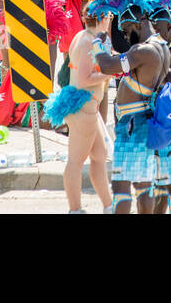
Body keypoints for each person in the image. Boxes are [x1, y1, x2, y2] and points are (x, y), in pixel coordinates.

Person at [46, 11, 112, 214]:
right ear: (102, 19)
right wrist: (110, 72)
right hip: (84, 109)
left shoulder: (86, 36)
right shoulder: (87, 41)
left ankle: (109, 206)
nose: (109, 21)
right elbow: (85, 79)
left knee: (99, 156)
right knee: (76, 161)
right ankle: (75, 209)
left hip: (87, 108)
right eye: (108, 17)